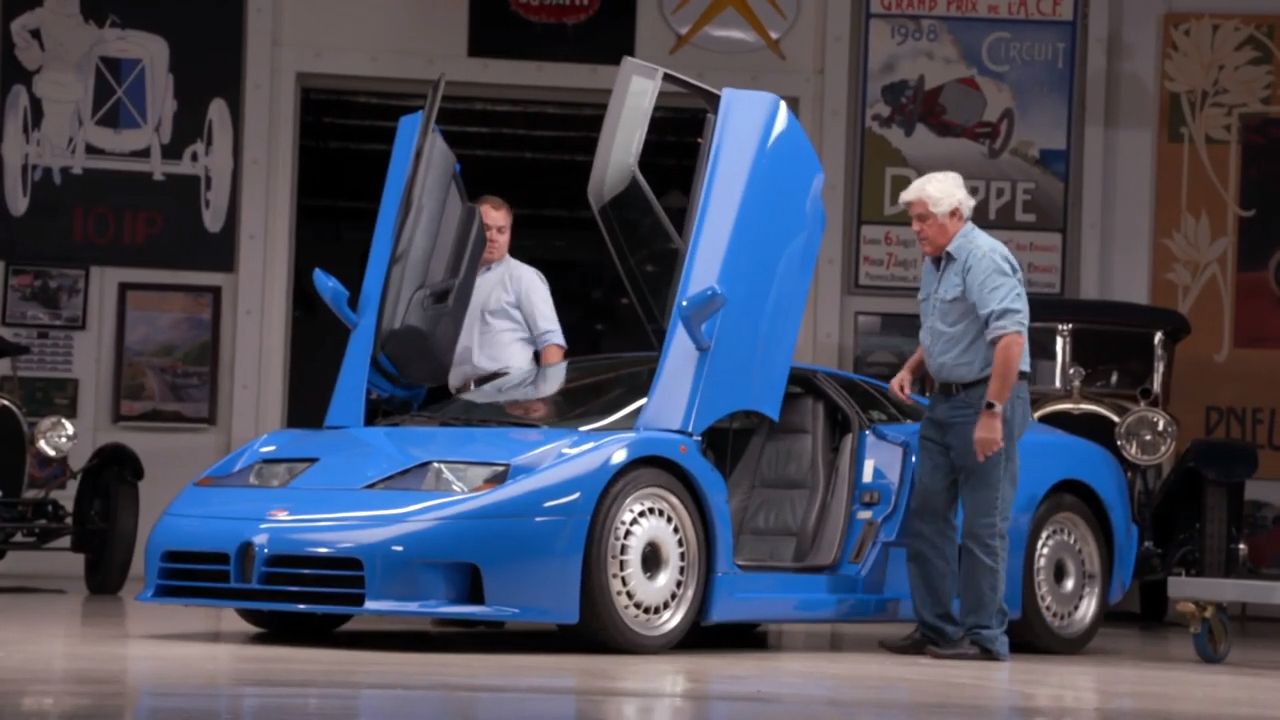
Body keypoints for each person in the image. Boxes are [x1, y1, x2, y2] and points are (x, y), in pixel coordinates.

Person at [878, 171, 1032, 662]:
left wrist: (992, 412)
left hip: (984, 400)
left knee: (983, 525)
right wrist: (910, 367)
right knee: (927, 517)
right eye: (913, 220)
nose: (916, 229)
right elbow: (945, 328)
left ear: (955, 215)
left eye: (924, 219)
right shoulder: (937, 261)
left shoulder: (984, 258)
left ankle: (985, 636)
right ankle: (938, 628)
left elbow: (1009, 338)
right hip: (942, 404)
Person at [448, 195, 567, 394]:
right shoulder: (454, 282)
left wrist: (546, 397)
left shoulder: (522, 277)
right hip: (463, 397)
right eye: (486, 228)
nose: (493, 237)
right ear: (469, 229)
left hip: (510, 391)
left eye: (501, 230)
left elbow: (550, 342)